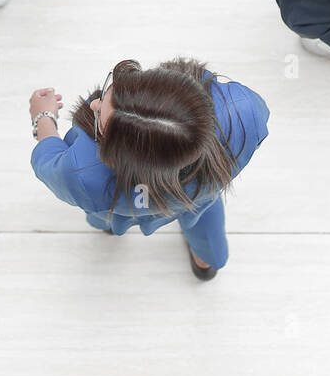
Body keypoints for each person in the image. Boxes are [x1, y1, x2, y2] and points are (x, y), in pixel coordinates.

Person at [29, 58, 269, 280]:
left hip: (118, 204)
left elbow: (47, 161)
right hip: (200, 195)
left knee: (105, 214)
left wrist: (43, 116)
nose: (94, 103)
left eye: (100, 118)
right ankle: (207, 259)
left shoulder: (84, 175)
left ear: (122, 156)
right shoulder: (243, 110)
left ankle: (109, 228)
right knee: (205, 218)